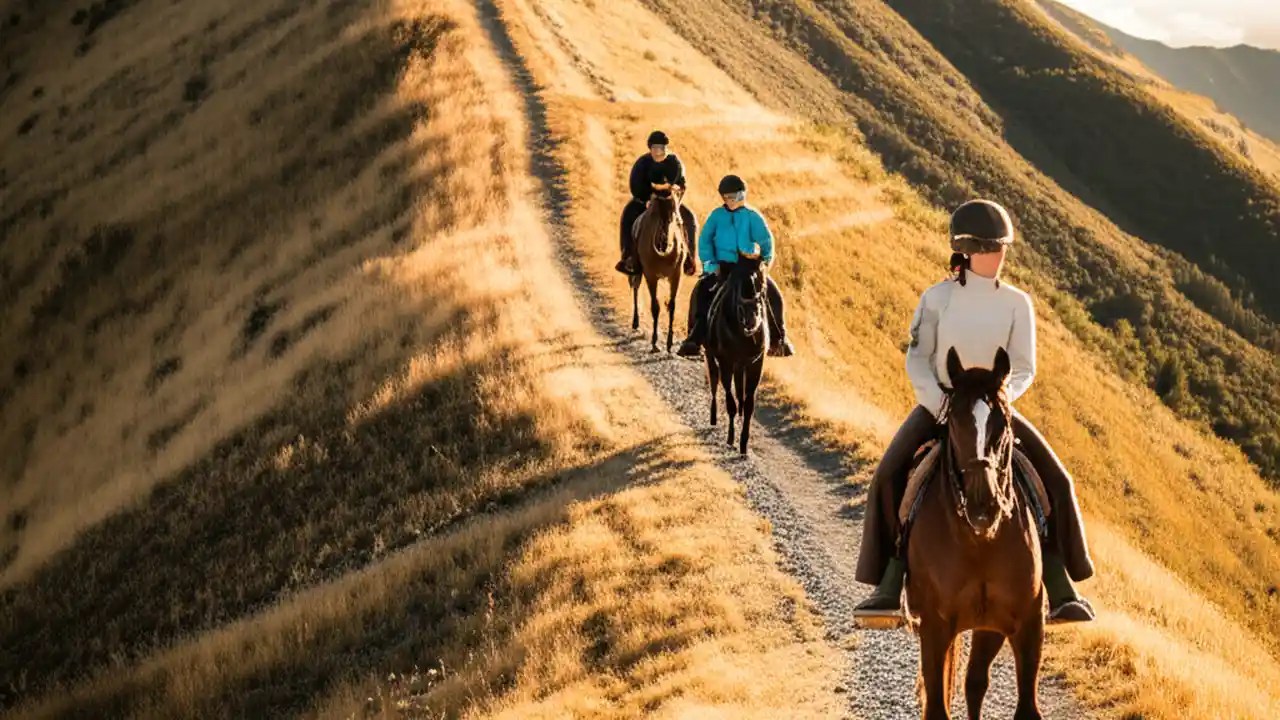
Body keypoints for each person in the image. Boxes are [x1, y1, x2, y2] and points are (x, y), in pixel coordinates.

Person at [852, 199, 1095, 625]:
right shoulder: (936, 298)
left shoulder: (1018, 303)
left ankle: (1060, 586)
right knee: (887, 476)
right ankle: (888, 584)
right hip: (942, 404)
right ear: (966, 250)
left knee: (1057, 480)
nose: (999, 256)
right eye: (990, 248)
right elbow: (917, 359)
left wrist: (1001, 400)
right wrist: (940, 403)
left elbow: (1024, 368)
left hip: (996, 409)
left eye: (1001, 247)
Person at [676, 174, 795, 359]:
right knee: (701, 292)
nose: (730, 201)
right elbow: (705, 241)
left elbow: (766, 243)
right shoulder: (716, 216)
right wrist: (710, 264)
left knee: (773, 294)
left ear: (742, 195)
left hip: (747, 268)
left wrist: (763, 264)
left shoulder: (752, 217)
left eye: (734, 197)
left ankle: (778, 339)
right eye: (726, 197)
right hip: (722, 267)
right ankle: (694, 338)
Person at [616, 131, 696, 275]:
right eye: (655, 148)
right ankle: (627, 256)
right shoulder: (642, 164)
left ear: (667, 148)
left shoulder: (675, 163)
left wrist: (676, 200)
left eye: (662, 148)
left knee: (690, 219)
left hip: (670, 203)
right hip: (645, 202)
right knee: (628, 215)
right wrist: (646, 199)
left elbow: (682, 183)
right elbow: (635, 185)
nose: (658, 152)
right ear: (650, 149)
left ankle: (689, 259)